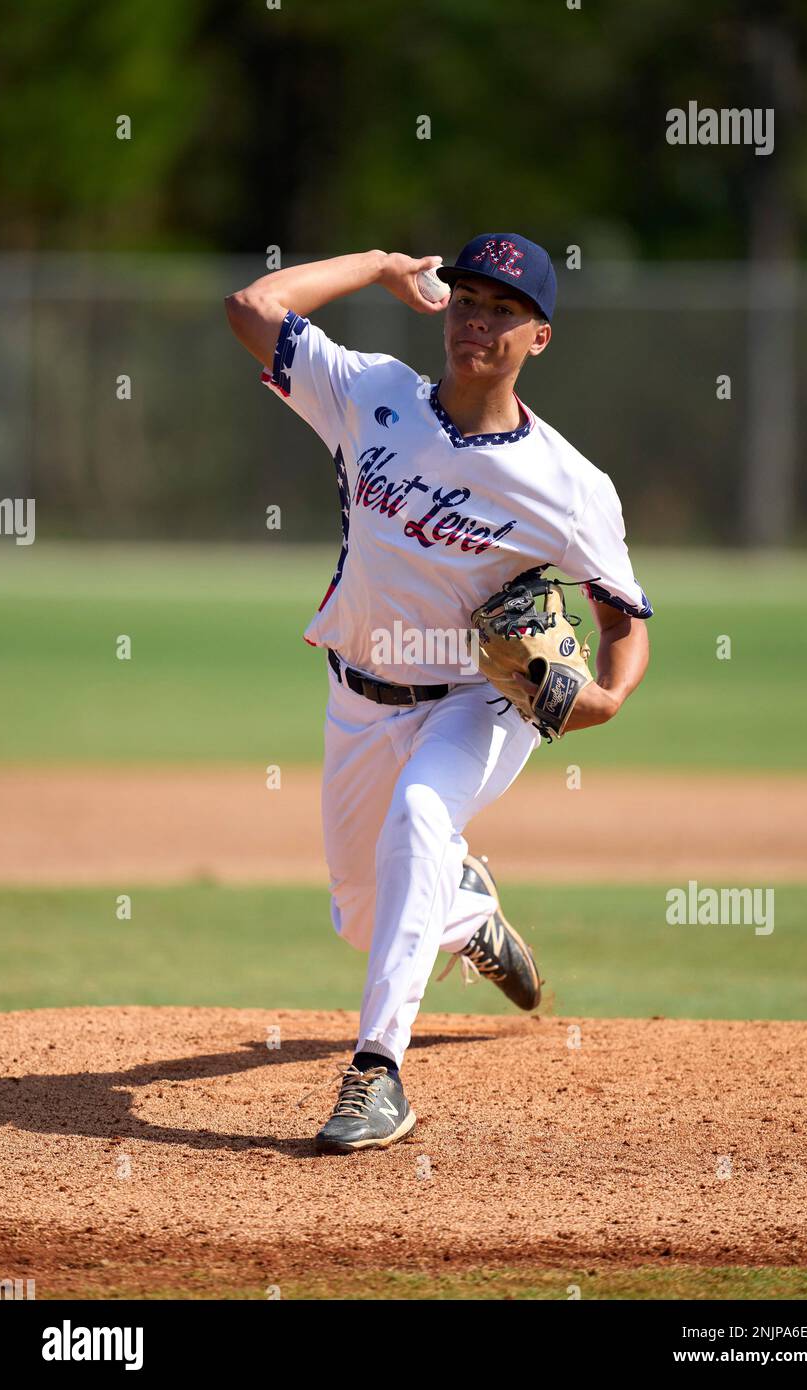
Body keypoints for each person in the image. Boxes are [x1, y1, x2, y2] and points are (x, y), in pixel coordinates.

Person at [225, 233, 651, 1153]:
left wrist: (608, 700)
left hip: (479, 698)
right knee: (362, 915)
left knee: (421, 812)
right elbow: (252, 309)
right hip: (358, 697)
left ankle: (378, 1075)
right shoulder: (370, 393)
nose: (477, 322)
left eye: (504, 310)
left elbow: (624, 621)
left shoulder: (569, 487)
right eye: (466, 300)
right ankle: (466, 913)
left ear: (540, 336)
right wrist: (378, 267)